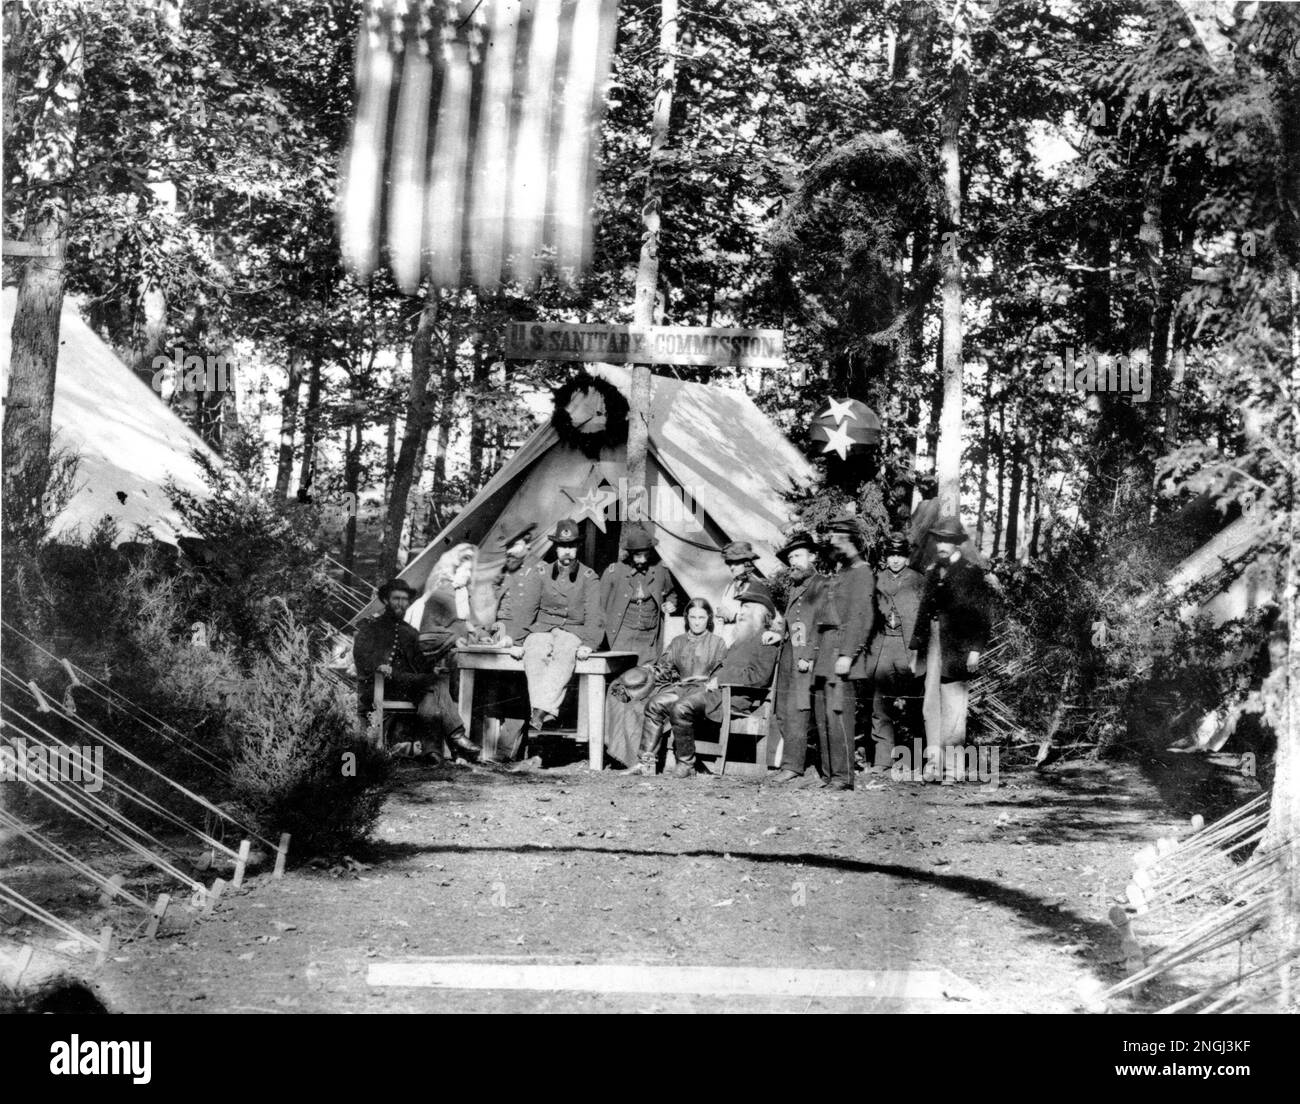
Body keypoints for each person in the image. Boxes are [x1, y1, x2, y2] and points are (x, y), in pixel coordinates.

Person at [908, 517, 995, 782]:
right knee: (929, 706)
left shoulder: (971, 573)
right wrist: (915, 650)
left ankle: (953, 769)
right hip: (931, 645)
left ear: (957, 543)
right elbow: (924, 613)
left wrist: (975, 650)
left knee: (954, 707)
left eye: (947, 540)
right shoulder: (933, 571)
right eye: (939, 540)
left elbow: (983, 615)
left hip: (957, 647)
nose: (941, 545)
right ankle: (933, 765)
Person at [352, 578, 476, 759]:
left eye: (404, 599)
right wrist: (381, 669)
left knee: (432, 690)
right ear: (386, 600)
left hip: (405, 686)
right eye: (396, 599)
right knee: (433, 684)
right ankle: (455, 736)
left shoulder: (409, 631)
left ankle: (432, 753)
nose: (401, 604)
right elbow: (363, 662)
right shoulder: (370, 629)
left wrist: (431, 667)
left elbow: (419, 664)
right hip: (378, 686)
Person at [664, 592, 779, 778]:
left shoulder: (766, 640)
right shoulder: (742, 639)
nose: (740, 613)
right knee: (674, 700)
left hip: (736, 697)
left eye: (746, 608)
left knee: (681, 708)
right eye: (741, 608)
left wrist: (722, 679)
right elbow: (722, 666)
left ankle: (686, 764)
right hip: (718, 693)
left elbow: (759, 677)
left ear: (760, 613)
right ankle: (686, 761)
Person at [508, 518, 604, 730]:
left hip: (572, 629)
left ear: (578, 547)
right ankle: (544, 710)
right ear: (556, 548)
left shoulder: (589, 577)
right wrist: (517, 641)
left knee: (566, 650)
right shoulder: (541, 574)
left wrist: (589, 643)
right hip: (542, 627)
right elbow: (528, 609)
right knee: (534, 649)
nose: (567, 552)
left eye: (571, 546)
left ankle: (539, 710)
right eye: (562, 546)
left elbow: (594, 614)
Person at [812, 515, 876, 790]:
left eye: (838, 537)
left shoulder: (861, 572)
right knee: (823, 715)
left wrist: (847, 655)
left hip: (840, 651)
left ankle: (843, 776)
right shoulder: (842, 572)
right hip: (825, 651)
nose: (833, 541)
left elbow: (861, 617)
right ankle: (829, 774)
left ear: (851, 540)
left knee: (838, 715)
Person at [631, 598, 728, 775]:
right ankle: (646, 763)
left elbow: (724, 670)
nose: (697, 622)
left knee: (680, 707)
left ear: (709, 618)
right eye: (692, 617)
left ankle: (685, 764)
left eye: (701, 617)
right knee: (654, 704)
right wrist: (653, 671)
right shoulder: (678, 641)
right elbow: (665, 668)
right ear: (686, 618)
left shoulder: (717, 642)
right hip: (682, 687)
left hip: (704, 690)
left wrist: (716, 680)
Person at [863, 533, 925, 772]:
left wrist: (919, 651)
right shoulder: (876, 580)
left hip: (910, 648)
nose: (895, 560)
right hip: (883, 648)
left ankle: (916, 759)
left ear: (907, 558)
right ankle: (882, 760)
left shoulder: (919, 581)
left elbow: (925, 620)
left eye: (900, 555)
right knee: (881, 705)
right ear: (885, 557)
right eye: (891, 555)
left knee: (914, 706)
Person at [770, 532, 827, 785]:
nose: (793, 561)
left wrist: (810, 655)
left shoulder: (822, 585)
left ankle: (793, 766)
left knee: (798, 710)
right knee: (781, 709)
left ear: (812, 556)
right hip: (788, 653)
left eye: (798, 555)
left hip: (805, 656)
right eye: (791, 557)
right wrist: (777, 633)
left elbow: (821, 624)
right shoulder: (794, 586)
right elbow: (792, 619)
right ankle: (792, 761)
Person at [600, 522, 676, 663]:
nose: (640, 559)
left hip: (648, 637)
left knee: (645, 677)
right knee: (621, 676)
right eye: (636, 555)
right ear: (629, 553)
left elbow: (671, 592)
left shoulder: (660, 570)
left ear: (650, 552)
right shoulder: (614, 572)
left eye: (644, 555)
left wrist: (670, 603)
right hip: (622, 635)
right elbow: (600, 606)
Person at [715, 541, 772, 643]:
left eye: (736, 563)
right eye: (729, 563)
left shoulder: (757, 586)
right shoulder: (729, 587)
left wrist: (733, 616)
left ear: (747, 563)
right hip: (725, 643)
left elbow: (760, 623)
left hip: (747, 645)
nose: (732, 567)